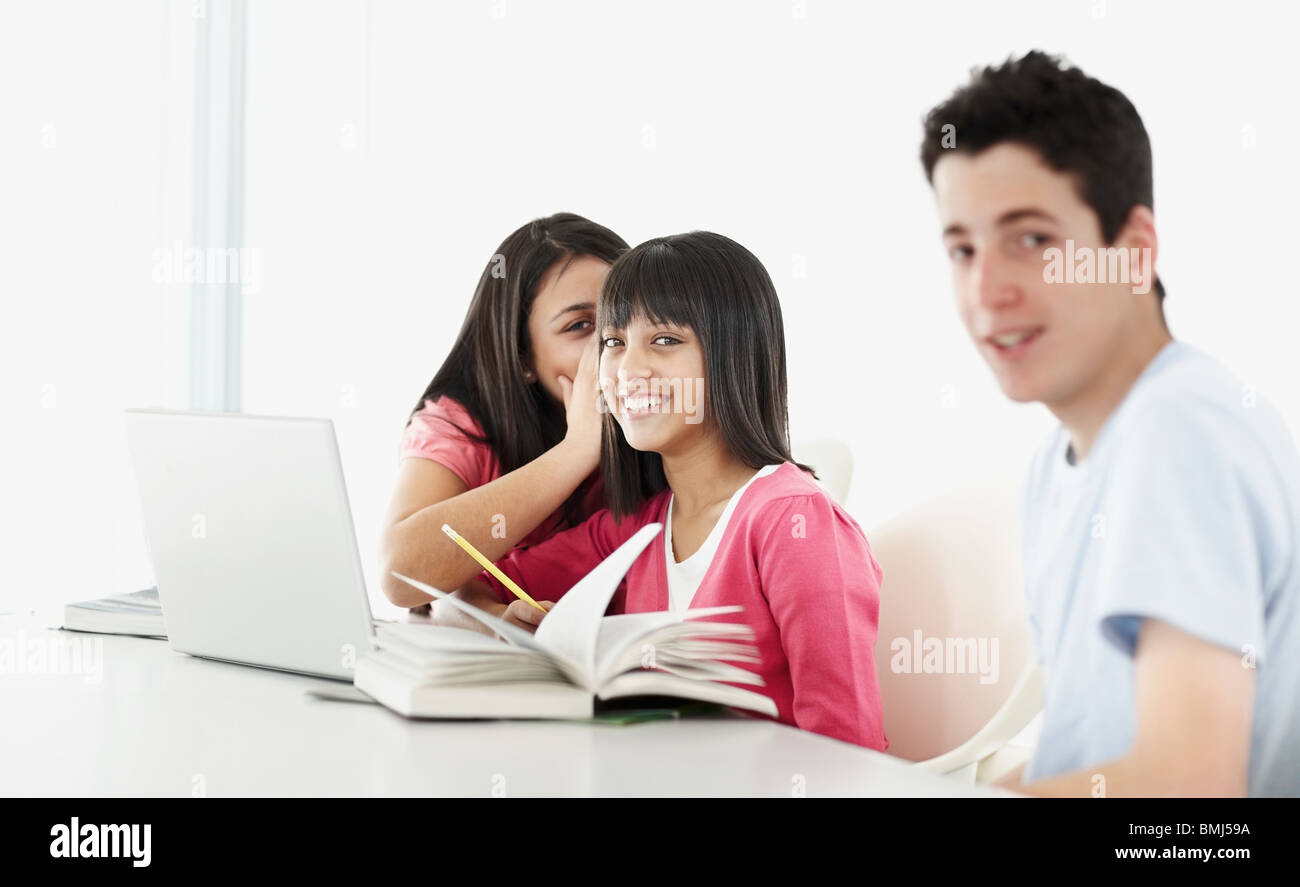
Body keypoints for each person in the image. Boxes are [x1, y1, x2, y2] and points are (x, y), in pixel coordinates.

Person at [921, 50, 1300, 796]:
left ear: (1134, 252)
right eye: (962, 248)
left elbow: (1189, 795)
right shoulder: (1061, 462)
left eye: (1031, 240)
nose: (985, 290)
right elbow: (1094, 754)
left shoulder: (1178, 432)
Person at [423, 231, 886, 750]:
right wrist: (511, 627)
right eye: (613, 342)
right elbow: (457, 587)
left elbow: (851, 751)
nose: (626, 370)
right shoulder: (634, 529)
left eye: (664, 340)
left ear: (736, 353)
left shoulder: (795, 524)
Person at [380, 213, 628, 623]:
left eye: (622, 317)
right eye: (579, 325)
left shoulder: (661, 419)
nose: (610, 344)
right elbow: (400, 576)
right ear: (522, 359)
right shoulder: (463, 425)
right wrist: (578, 450)